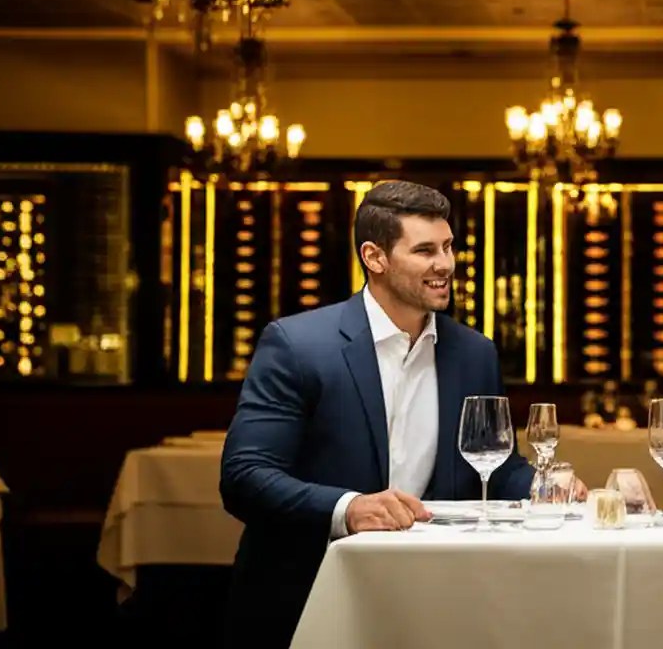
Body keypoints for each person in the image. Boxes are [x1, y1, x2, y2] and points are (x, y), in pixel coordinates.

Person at [219, 180, 539, 648]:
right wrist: (349, 509)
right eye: (425, 250)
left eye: (448, 247)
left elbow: (495, 463)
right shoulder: (297, 346)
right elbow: (244, 478)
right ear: (375, 257)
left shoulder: (475, 353)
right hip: (312, 598)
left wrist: (549, 486)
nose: (445, 264)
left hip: (441, 601)